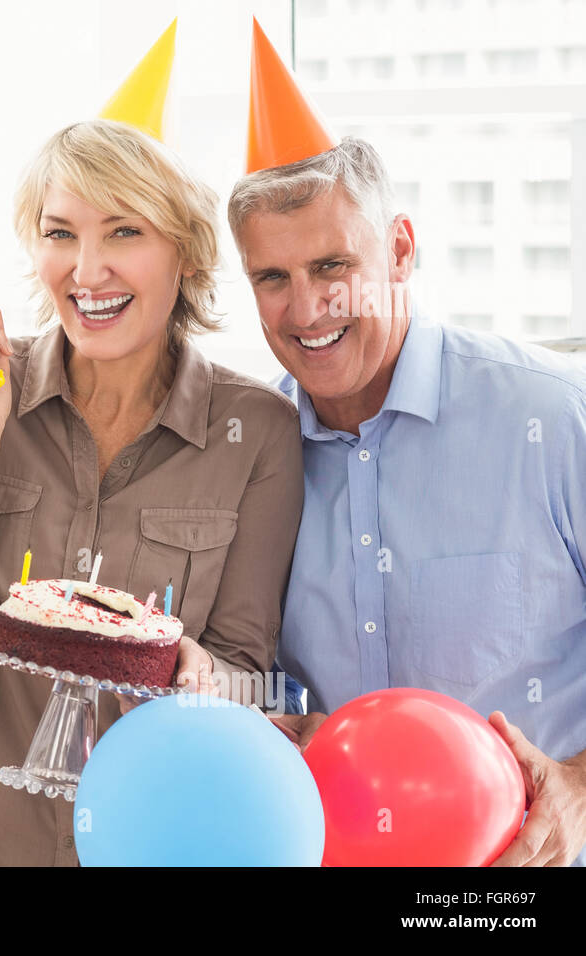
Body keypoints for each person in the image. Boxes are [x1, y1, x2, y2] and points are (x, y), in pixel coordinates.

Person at [0, 118, 305, 866]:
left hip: (156, 845)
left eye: (124, 232)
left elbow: (246, 674)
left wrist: (199, 676)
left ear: (186, 254)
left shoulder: (257, 429)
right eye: (60, 233)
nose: (87, 269)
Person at [228, 135, 586, 867]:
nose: (305, 309)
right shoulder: (247, 460)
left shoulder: (555, 419)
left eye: (332, 266)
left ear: (399, 249)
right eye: (272, 276)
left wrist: (578, 785)